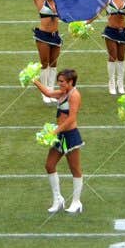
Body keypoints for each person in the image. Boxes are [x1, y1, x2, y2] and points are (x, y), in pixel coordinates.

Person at [33, 68, 84, 213]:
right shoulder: (63, 92)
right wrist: (34, 81)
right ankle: (58, 199)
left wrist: (54, 131)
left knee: (75, 169)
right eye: (59, 81)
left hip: (70, 135)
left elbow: (72, 118)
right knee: (49, 165)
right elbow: (48, 93)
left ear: (70, 82)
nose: (59, 84)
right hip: (60, 135)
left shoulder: (74, 95)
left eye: (62, 82)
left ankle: (76, 201)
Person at [30, 0, 61, 100]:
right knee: (45, 63)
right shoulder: (40, 0)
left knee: (54, 63)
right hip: (43, 36)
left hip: (56, 36)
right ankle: (44, 92)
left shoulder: (57, 0)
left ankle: (51, 90)